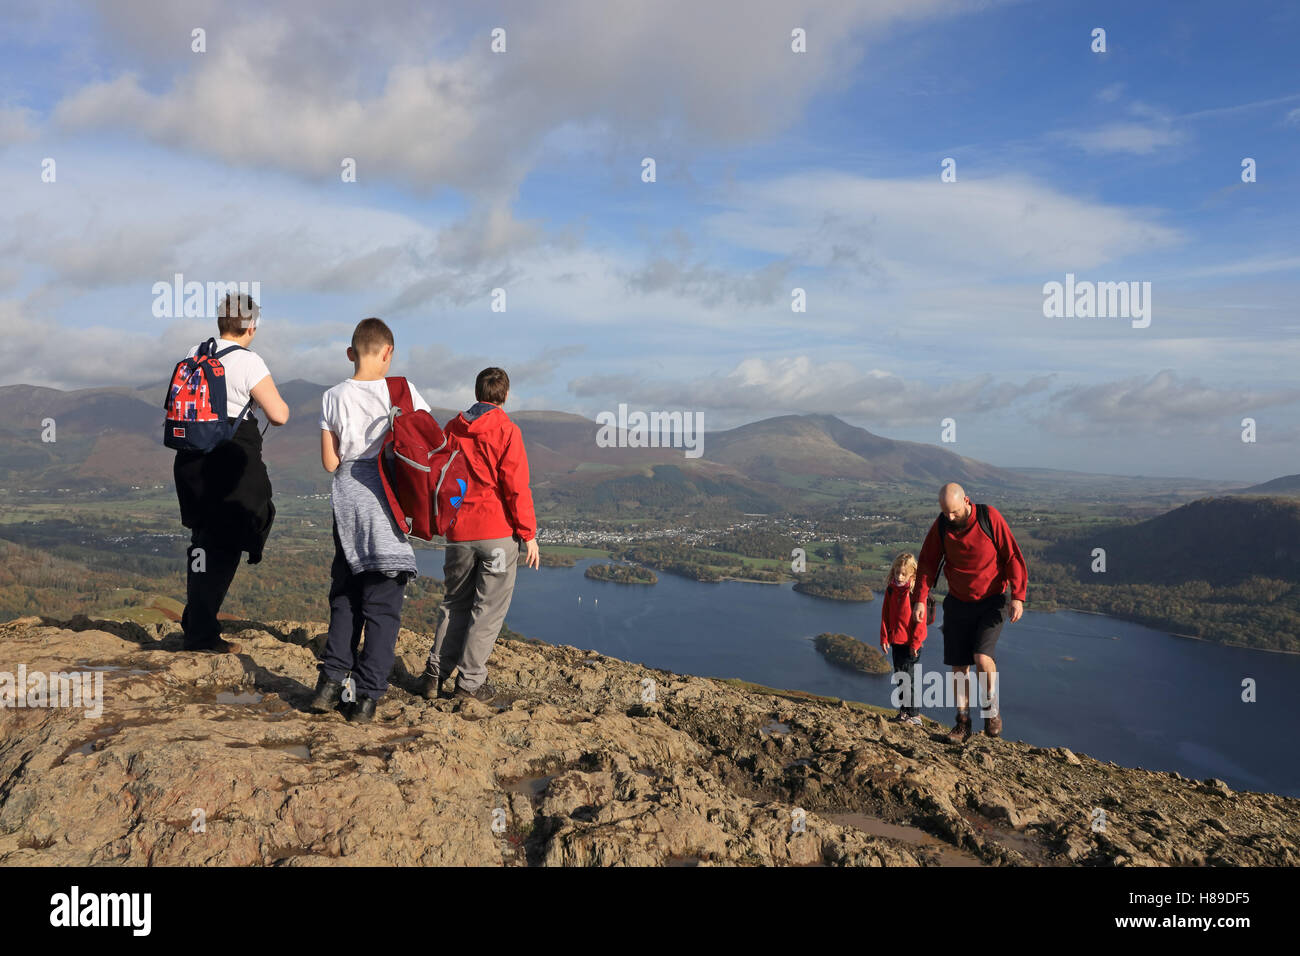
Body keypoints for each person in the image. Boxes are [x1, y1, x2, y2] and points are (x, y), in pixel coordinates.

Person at [309, 317, 431, 723]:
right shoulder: (403, 391)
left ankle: (328, 685)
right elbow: (425, 446)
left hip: (346, 505)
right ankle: (366, 699)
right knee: (383, 604)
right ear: (388, 353)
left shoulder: (331, 397)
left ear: (350, 353)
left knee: (345, 594)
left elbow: (331, 462)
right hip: (386, 506)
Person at [174, 293, 290, 652]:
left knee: (204, 542)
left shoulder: (196, 352)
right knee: (230, 538)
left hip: (191, 458)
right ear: (252, 326)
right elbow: (280, 415)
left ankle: (196, 623)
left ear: (220, 321)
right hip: (229, 461)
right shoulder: (249, 362)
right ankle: (201, 633)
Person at [418, 367, 539, 702]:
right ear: (505, 395)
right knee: (486, 610)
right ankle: (469, 684)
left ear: (477, 392)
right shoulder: (507, 430)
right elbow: (516, 486)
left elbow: (439, 474)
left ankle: (433, 675)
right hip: (497, 534)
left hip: (458, 532)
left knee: (454, 603)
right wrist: (528, 534)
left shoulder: (453, 428)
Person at [913, 482, 1028, 741]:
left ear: (967, 501)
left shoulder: (989, 518)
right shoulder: (942, 525)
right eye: (945, 512)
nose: (950, 517)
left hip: (992, 601)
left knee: (982, 657)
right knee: (959, 667)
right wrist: (920, 599)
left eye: (954, 511)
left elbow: (1012, 556)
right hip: (958, 603)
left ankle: (991, 710)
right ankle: (963, 723)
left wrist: (1018, 596)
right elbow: (928, 562)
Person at [880, 552, 926, 725]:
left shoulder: (915, 594)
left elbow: (920, 623)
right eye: (897, 572)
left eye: (903, 574)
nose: (899, 576)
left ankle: (914, 715)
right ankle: (904, 712)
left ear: (912, 575)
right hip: (896, 641)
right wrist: (884, 637)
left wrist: (915, 643)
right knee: (900, 677)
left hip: (911, 645)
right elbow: (885, 615)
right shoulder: (891, 590)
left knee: (909, 679)